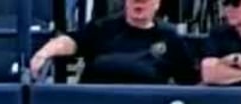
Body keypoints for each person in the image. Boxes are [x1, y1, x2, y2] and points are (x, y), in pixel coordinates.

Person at [28, 0, 199, 84]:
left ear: (157, 4)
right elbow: (72, 41)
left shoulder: (169, 36)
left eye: (144, 1)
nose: (138, 4)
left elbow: (189, 81)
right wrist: (44, 53)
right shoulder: (103, 26)